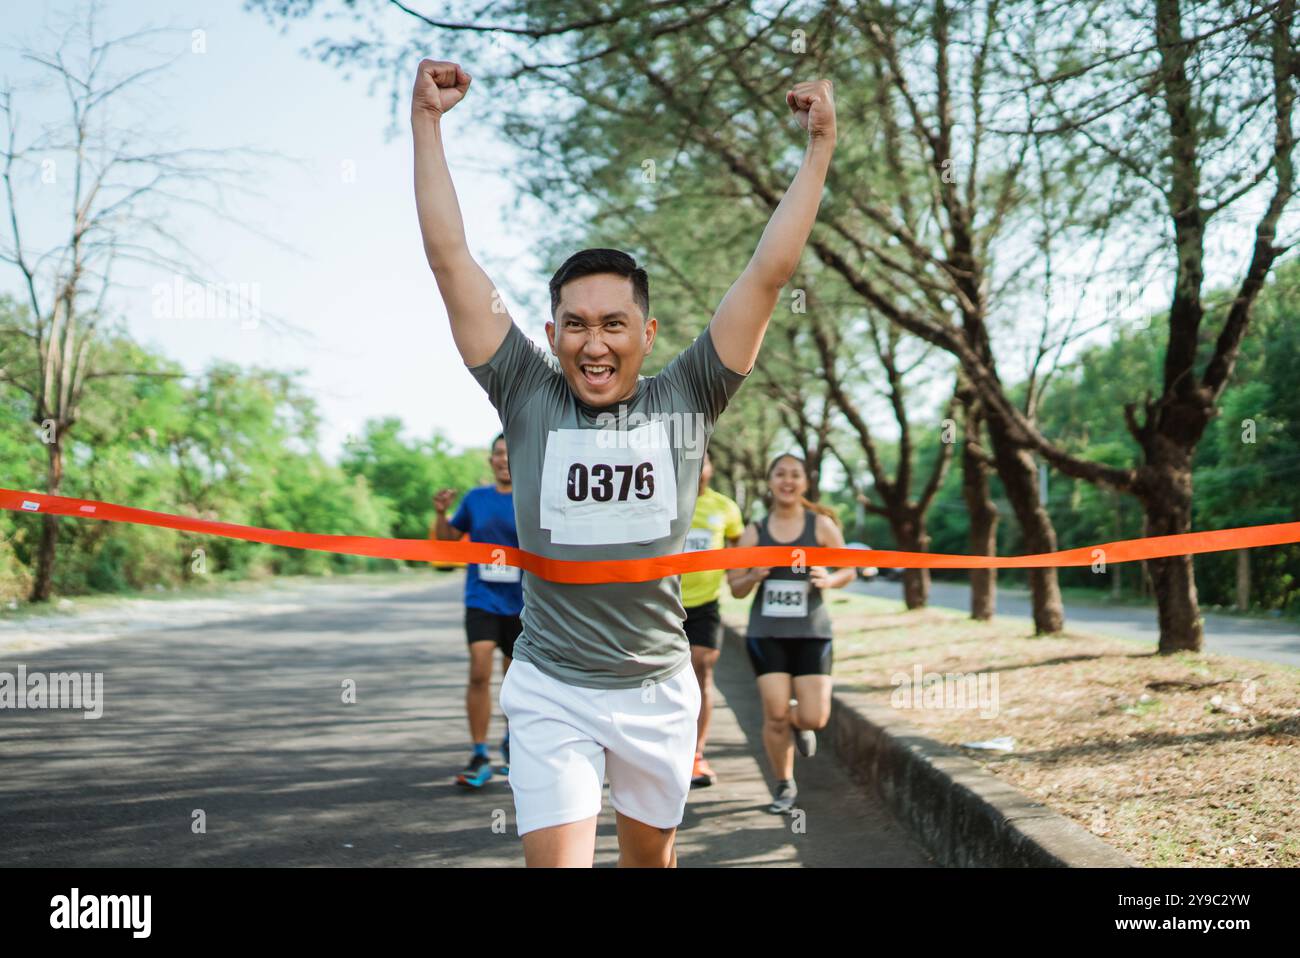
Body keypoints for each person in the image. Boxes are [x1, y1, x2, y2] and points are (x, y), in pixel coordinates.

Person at [412, 58, 836, 867]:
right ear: (549, 333)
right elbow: (450, 260)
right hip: (550, 687)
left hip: (657, 689)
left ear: (647, 333)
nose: (594, 343)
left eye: (614, 324)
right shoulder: (526, 395)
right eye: (575, 324)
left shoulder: (689, 394)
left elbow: (768, 272)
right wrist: (427, 126)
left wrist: (817, 147)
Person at [726, 453, 855, 815]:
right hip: (766, 634)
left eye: (794, 474)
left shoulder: (821, 526)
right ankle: (784, 785)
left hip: (812, 633)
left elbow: (850, 569)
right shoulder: (755, 531)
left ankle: (803, 726)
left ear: (805, 482)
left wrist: (829, 578)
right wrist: (752, 575)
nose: (787, 480)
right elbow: (734, 586)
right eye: (780, 474)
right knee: (776, 714)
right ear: (769, 481)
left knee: (815, 718)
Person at [432, 433, 522, 788]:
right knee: (479, 672)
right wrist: (441, 514)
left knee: (516, 685)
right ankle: (480, 753)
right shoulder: (476, 499)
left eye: (509, 452)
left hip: (523, 603)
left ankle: (514, 744)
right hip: (482, 598)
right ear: (490, 460)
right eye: (498, 454)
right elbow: (446, 544)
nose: (504, 459)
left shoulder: (532, 498)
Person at [679, 449, 744, 788]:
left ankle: (696, 755)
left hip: (705, 604)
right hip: (662, 604)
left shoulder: (726, 508)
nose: (695, 467)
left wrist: (744, 581)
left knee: (701, 667)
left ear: (710, 468)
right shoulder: (662, 501)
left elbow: (738, 550)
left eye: (700, 460)